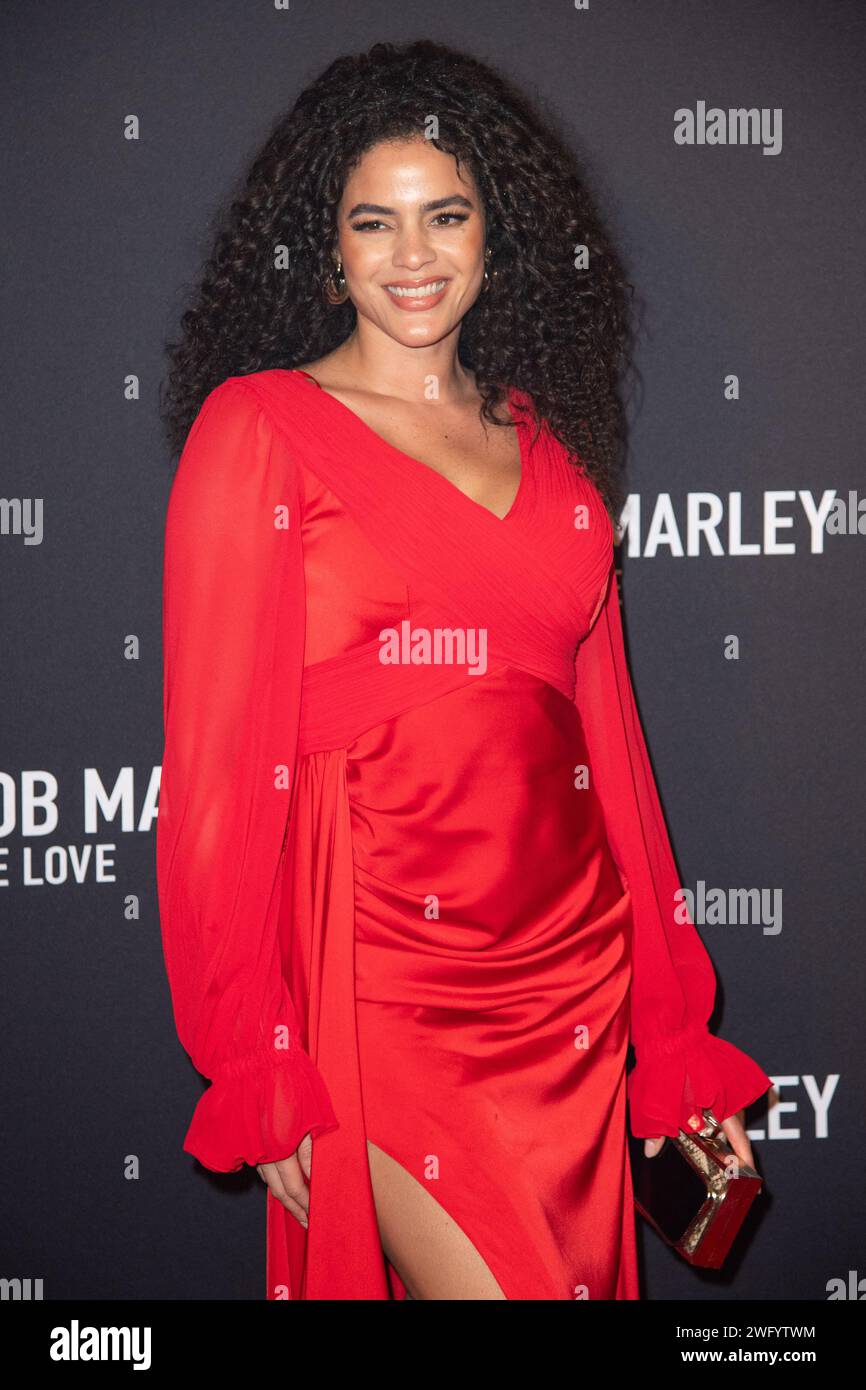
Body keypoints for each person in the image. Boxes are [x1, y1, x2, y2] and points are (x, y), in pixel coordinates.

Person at [156, 39, 772, 1301]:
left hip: (575, 984)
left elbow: (618, 762)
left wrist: (668, 1038)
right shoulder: (259, 430)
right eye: (371, 223)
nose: (413, 254)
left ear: (498, 234)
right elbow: (214, 778)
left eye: (445, 214)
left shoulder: (552, 455)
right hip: (384, 988)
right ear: (327, 248)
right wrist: (255, 1047)